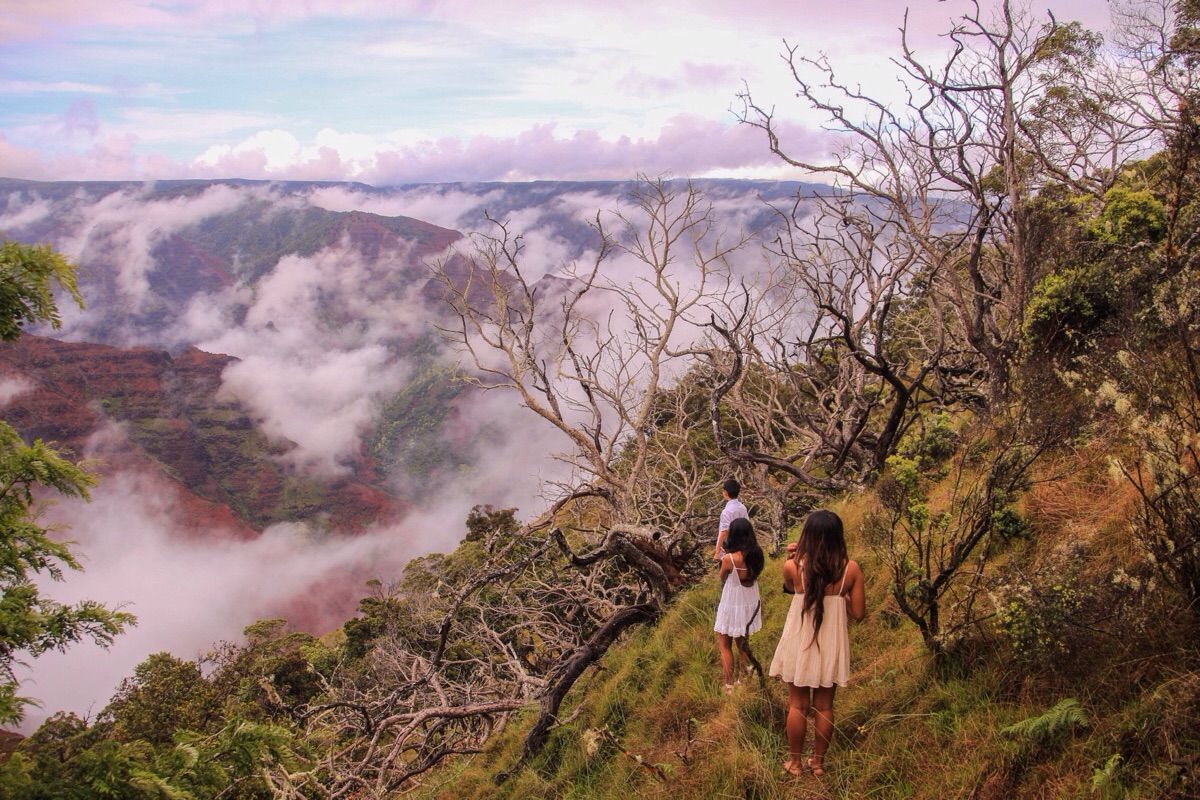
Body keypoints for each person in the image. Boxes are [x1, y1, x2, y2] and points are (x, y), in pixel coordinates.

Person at [769, 509, 866, 778]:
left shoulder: (793, 566)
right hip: (831, 643)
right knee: (825, 706)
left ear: (807, 536)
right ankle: (818, 763)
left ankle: (795, 763)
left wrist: (794, 559)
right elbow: (858, 613)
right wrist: (840, 595)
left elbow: (792, 587)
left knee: (797, 704)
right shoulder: (851, 569)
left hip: (800, 640)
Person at [714, 517, 764, 692]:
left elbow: (722, 577)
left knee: (724, 645)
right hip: (749, 601)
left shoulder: (729, 559)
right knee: (742, 644)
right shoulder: (757, 554)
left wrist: (722, 558)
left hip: (732, 602)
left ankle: (728, 684)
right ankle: (744, 680)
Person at [713, 478, 748, 561]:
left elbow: (724, 532)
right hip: (744, 544)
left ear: (725, 492)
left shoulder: (726, 512)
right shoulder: (743, 507)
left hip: (731, 546)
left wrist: (717, 551)